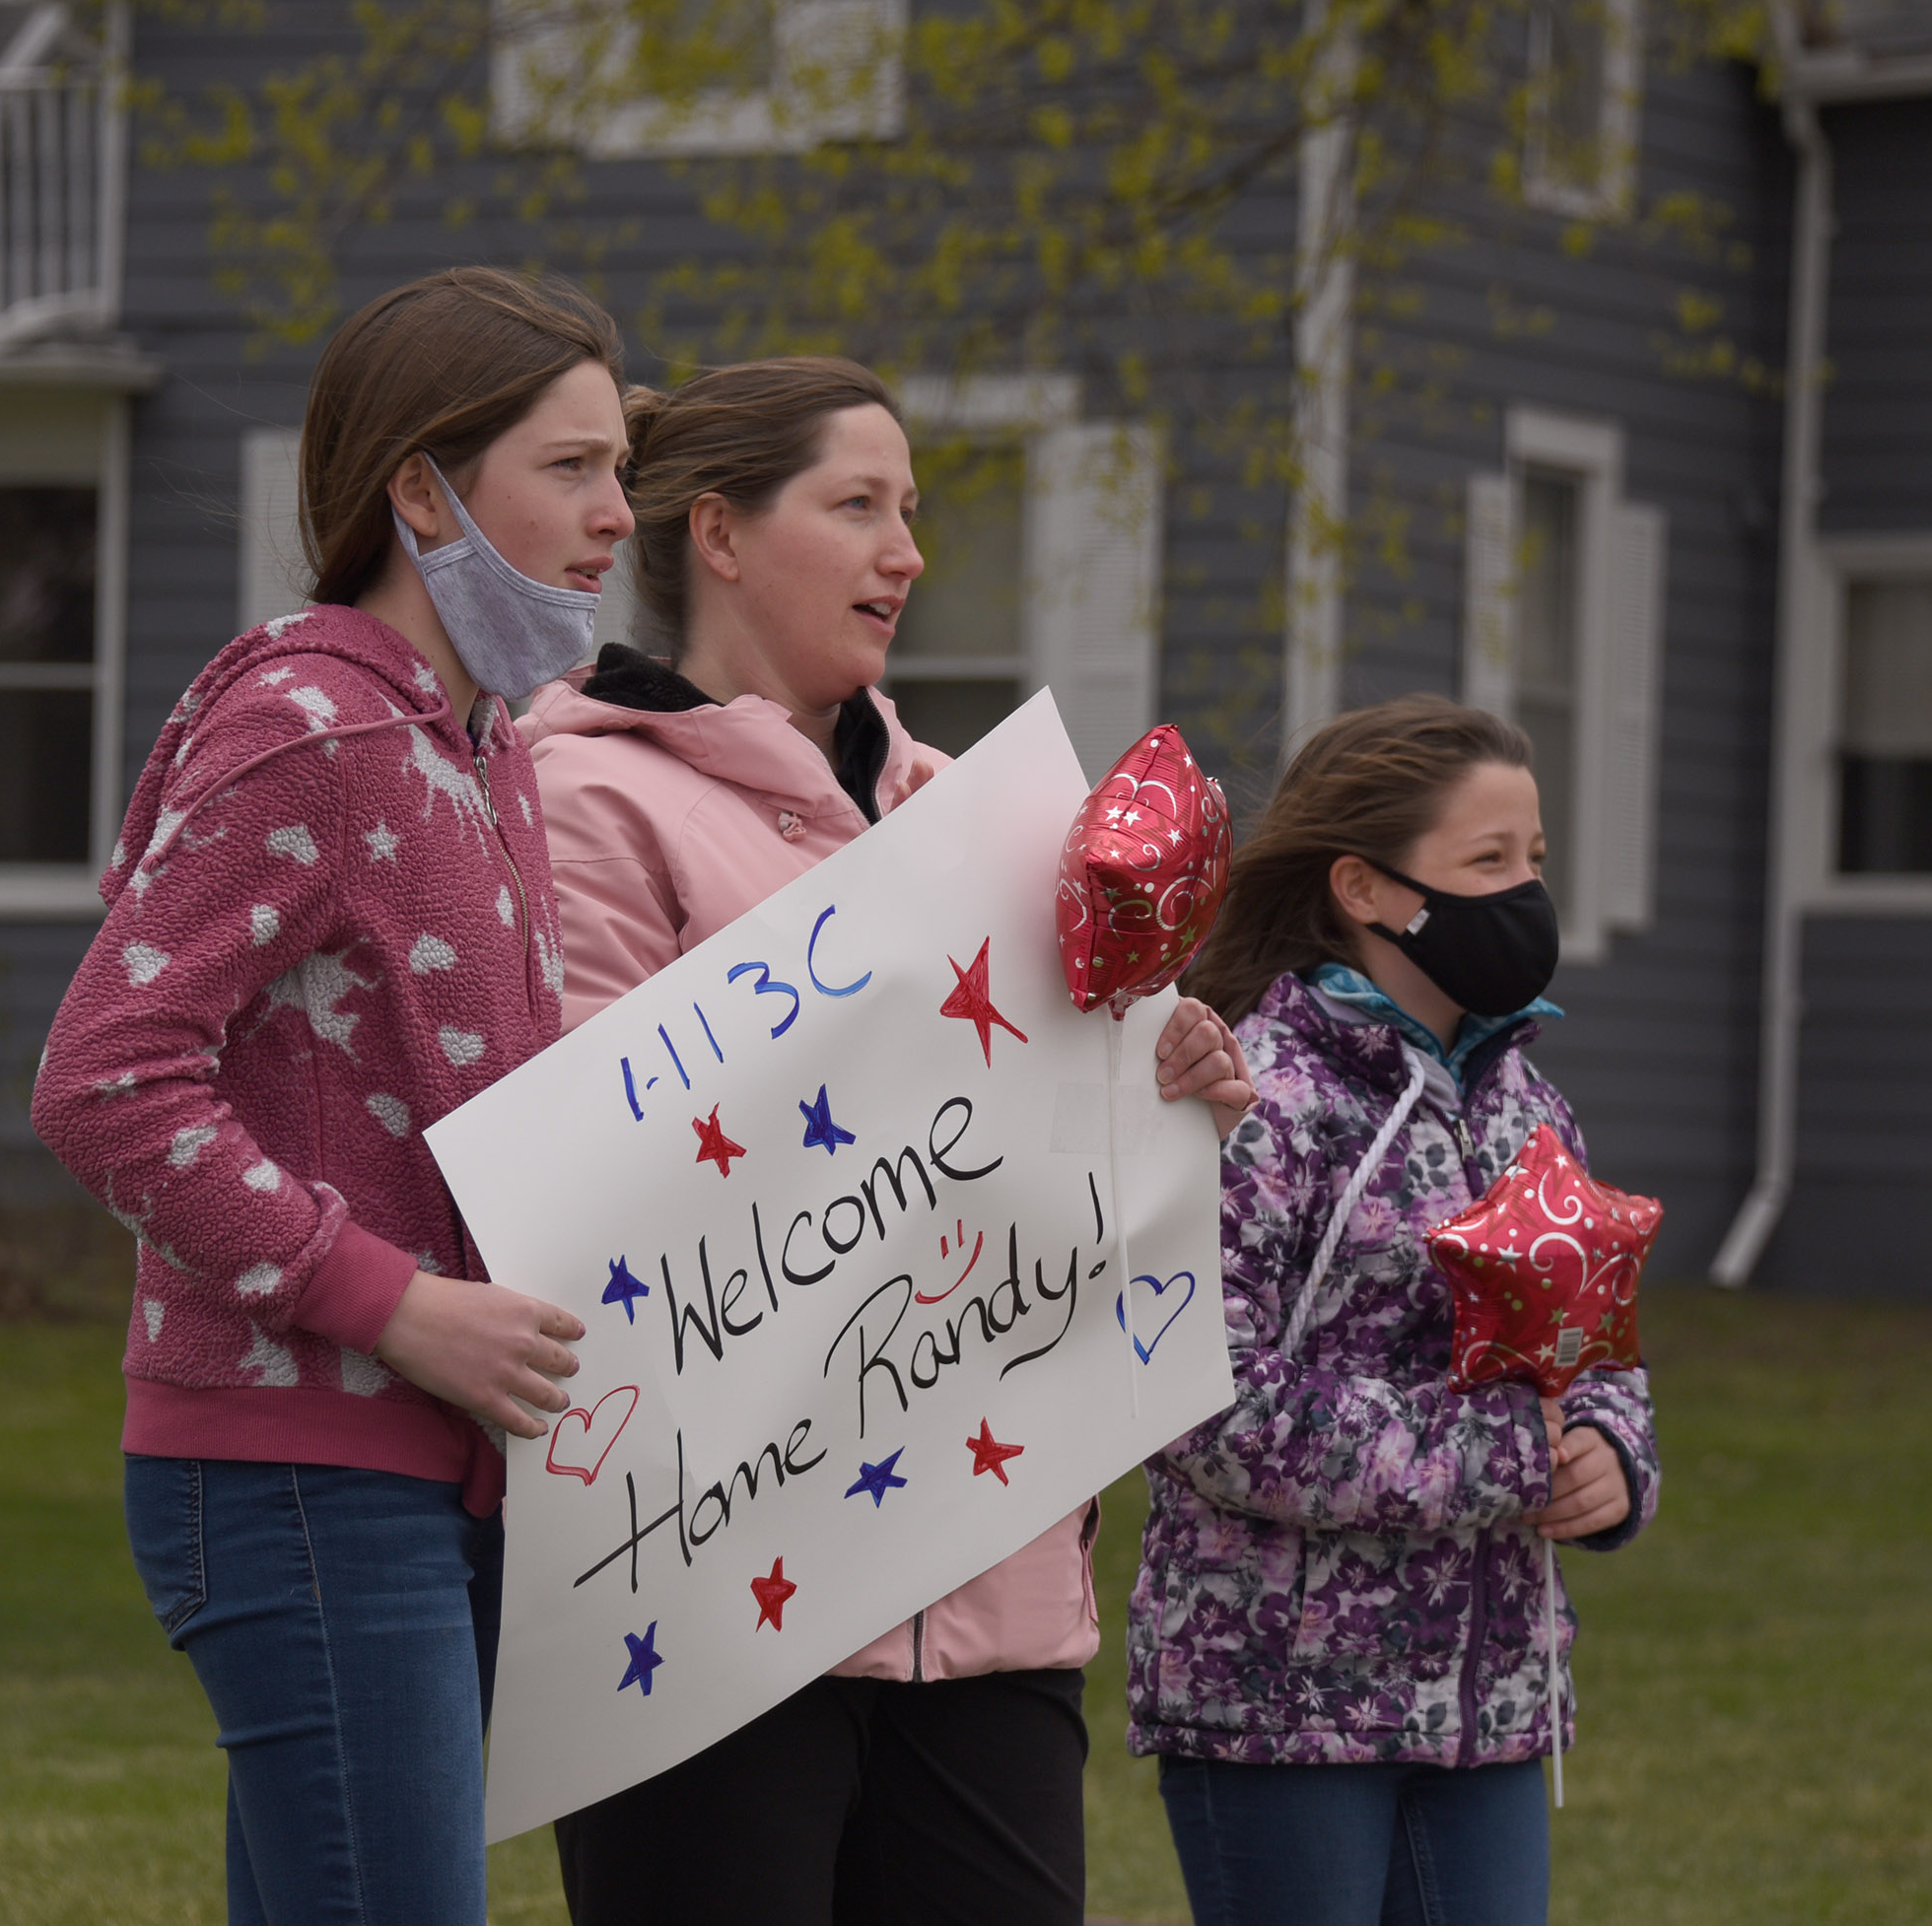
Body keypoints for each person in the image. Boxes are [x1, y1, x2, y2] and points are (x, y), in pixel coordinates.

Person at [523, 355, 1253, 1926]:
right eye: (857, 505)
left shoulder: (985, 821)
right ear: (720, 533)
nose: (908, 551)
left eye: (909, 509)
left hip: (991, 1594)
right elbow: (602, 1190)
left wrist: (1162, 1077)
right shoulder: (585, 799)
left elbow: (1047, 1157)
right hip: (714, 1604)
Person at [31, 265, 633, 1925]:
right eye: (571, 467)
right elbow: (102, 1078)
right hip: (297, 1469)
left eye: (620, 468)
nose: (617, 513)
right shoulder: (311, 726)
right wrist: (397, 1304)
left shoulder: (487, 744)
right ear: (422, 491)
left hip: (427, 1466)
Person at [1128, 695, 1661, 1926]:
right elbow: (1204, 1398)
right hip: (1282, 1708)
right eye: (1489, 861)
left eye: (1534, 859)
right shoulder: (1257, 1098)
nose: (1527, 894)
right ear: (1365, 887)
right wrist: (1503, 1453)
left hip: (1492, 1707)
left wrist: (1611, 1449)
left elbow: (1595, 1340)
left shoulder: (1530, 1105)